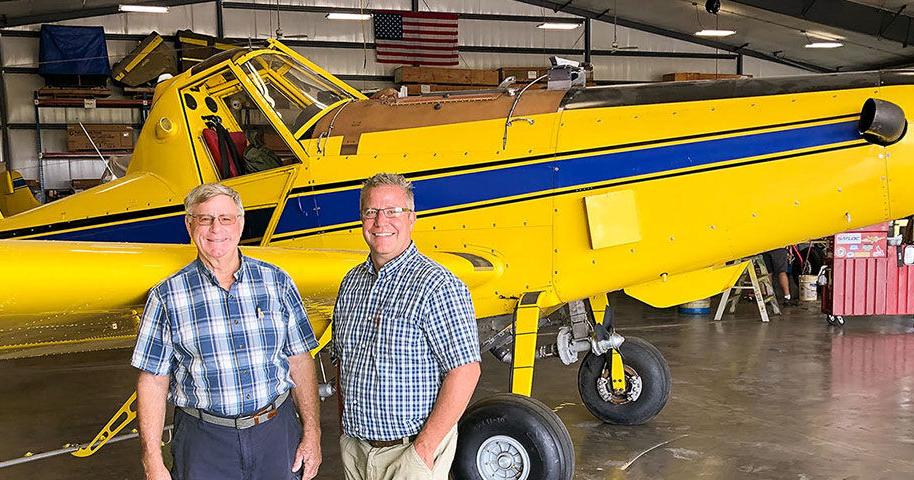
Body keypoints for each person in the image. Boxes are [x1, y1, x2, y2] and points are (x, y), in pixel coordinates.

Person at [131, 183, 322, 480]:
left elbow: (300, 360)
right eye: (205, 219)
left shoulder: (277, 282)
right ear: (189, 224)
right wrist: (152, 459)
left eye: (225, 218)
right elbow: (153, 380)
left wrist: (312, 433)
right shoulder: (167, 295)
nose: (215, 228)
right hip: (204, 439)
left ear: (240, 223)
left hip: (275, 431)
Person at [333, 173, 481, 480]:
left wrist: (423, 451)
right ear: (361, 219)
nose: (380, 222)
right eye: (371, 212)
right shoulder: (350, 284)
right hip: (356, 451)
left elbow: (465, 371)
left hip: (411, 453)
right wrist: (345, 435)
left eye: (392, 211)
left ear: (412, 219)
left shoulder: (437, 284)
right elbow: (342, 363)